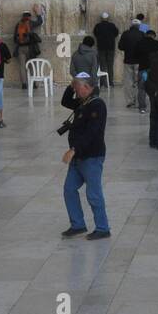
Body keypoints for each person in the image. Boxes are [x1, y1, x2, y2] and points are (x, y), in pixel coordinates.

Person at [60, 72, 111, 240]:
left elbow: (93, 133)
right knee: (69, 189)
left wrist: (74, 149)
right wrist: (71, 84)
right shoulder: (82, 102)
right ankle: (78, 225)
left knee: (93, 194)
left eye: (78, 87)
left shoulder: (97, 105)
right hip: (78, 157)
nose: (75, 91)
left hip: (91, 157)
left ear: (88, 87)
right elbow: (65, 101)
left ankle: (103, 228)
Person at [130, 25, 158, 114]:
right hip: (154, 70)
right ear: (154, 36)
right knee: (155, 88)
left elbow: (135, 55)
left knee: (142, 88)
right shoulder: (157, 44)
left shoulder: (139, 43)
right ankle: (155, 107)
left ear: (146, 35)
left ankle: (142, 108)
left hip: (143, 69)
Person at [13, 5, 45, 87]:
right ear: (29, 17)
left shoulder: (18, 24)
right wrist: (38, 13)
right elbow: (40, 21)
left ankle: (24, 83)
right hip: (30, 48)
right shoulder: (31, 23)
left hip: (20, 48)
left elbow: (14, 38)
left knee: (22, 66)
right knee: (32, 65)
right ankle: (34, 83)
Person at [118, 17, 142, 107]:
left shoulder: (125, 34)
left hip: (128, 61)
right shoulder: (142, 34)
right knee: (138, 82)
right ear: (139, 26)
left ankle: (130, 101)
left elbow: (120, 47)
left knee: (128, 82)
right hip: (139, 62)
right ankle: (139, 101)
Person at [92, 12, 119, 88]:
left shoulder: (98, 26)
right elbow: (116, 33)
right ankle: (110, 82)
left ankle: (103, 83)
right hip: (111, 48)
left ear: (101, 18)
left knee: (102, 65)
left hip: (101, 48)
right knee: (110, 65)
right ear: (108, 18)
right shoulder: (112, 25)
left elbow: (95, 34)